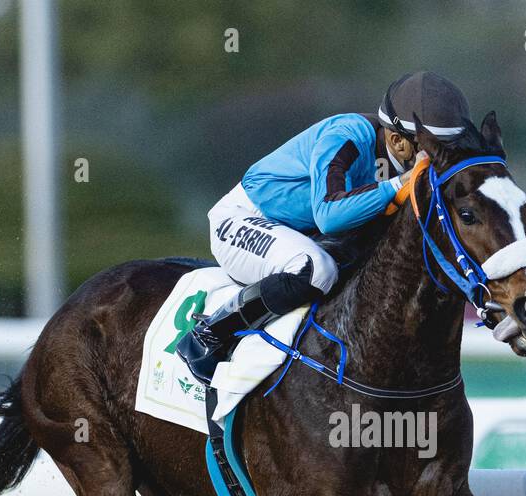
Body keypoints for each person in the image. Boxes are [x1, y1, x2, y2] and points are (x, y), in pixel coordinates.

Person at [178, 70, 474, 384]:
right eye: (436, 147)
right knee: (315, 269)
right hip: (243, 220)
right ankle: (208, 335)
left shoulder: (401, 153)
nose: (444, 157)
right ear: (399, 142)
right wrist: (398, 184)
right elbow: (329, 215)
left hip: (301, 234)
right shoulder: (347, 135)